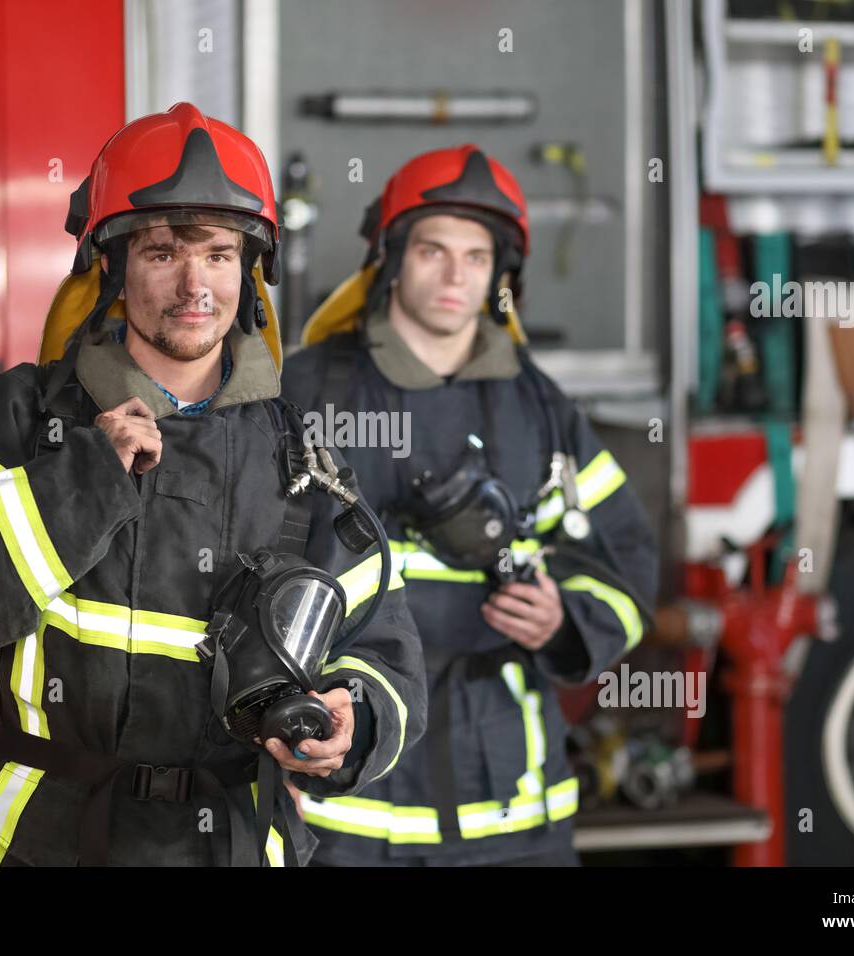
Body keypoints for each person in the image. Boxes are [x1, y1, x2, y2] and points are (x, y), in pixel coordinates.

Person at [0, 102, 426, 867]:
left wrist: (354, 719)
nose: (196, 285)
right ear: (113, 267)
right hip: (33, 839)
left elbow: (382, 647)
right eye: (163, 252)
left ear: (249, 271)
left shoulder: (301, 457)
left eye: (220, 255)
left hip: (231, 842)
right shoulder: (20, 418)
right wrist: (83, 480)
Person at [281, 145, 657, 866]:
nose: (457, 275)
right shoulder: (309, 393)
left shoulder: (538, 405)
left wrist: (564, 620)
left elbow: (624, 558)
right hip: (349, 806)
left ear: (501, 274)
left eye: (477, 257)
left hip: (514, 814)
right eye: (433, 250)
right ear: (391, 256)